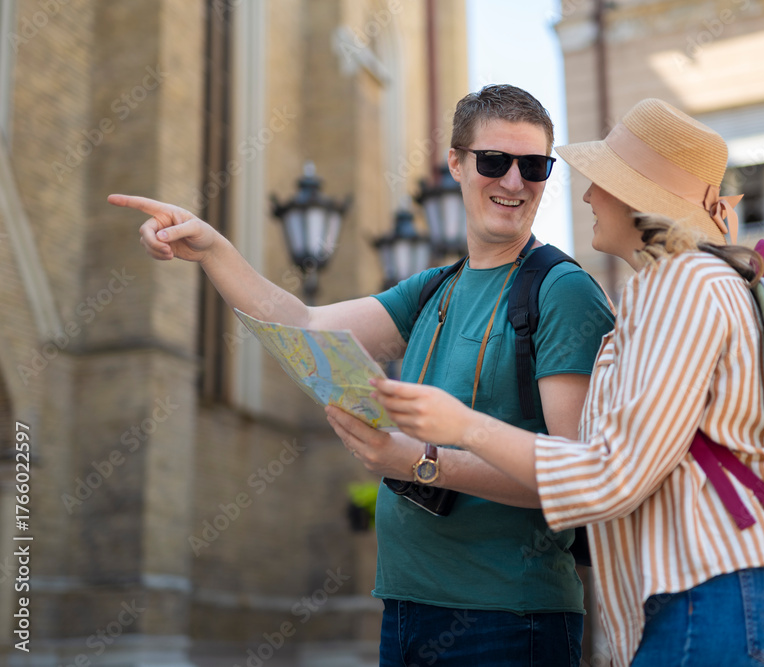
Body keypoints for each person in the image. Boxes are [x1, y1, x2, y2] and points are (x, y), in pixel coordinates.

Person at [109, 84, 615, 667]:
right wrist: (213, 249)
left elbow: (575, 474)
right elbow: (304, 326)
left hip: (510, 618)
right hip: (405, 605)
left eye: (534, 166)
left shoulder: (562, 291)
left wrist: (421, 462)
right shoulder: (434, 288)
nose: (515, 181)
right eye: (495, 161)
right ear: (456, 163)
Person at [369, 98, 764, 666]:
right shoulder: (669, 290)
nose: (589, 195)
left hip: (723, 598)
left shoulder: (689, 284)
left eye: (604, 181)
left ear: (636, 199)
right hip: (717, 601)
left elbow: (611, 473)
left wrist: (459, 432)